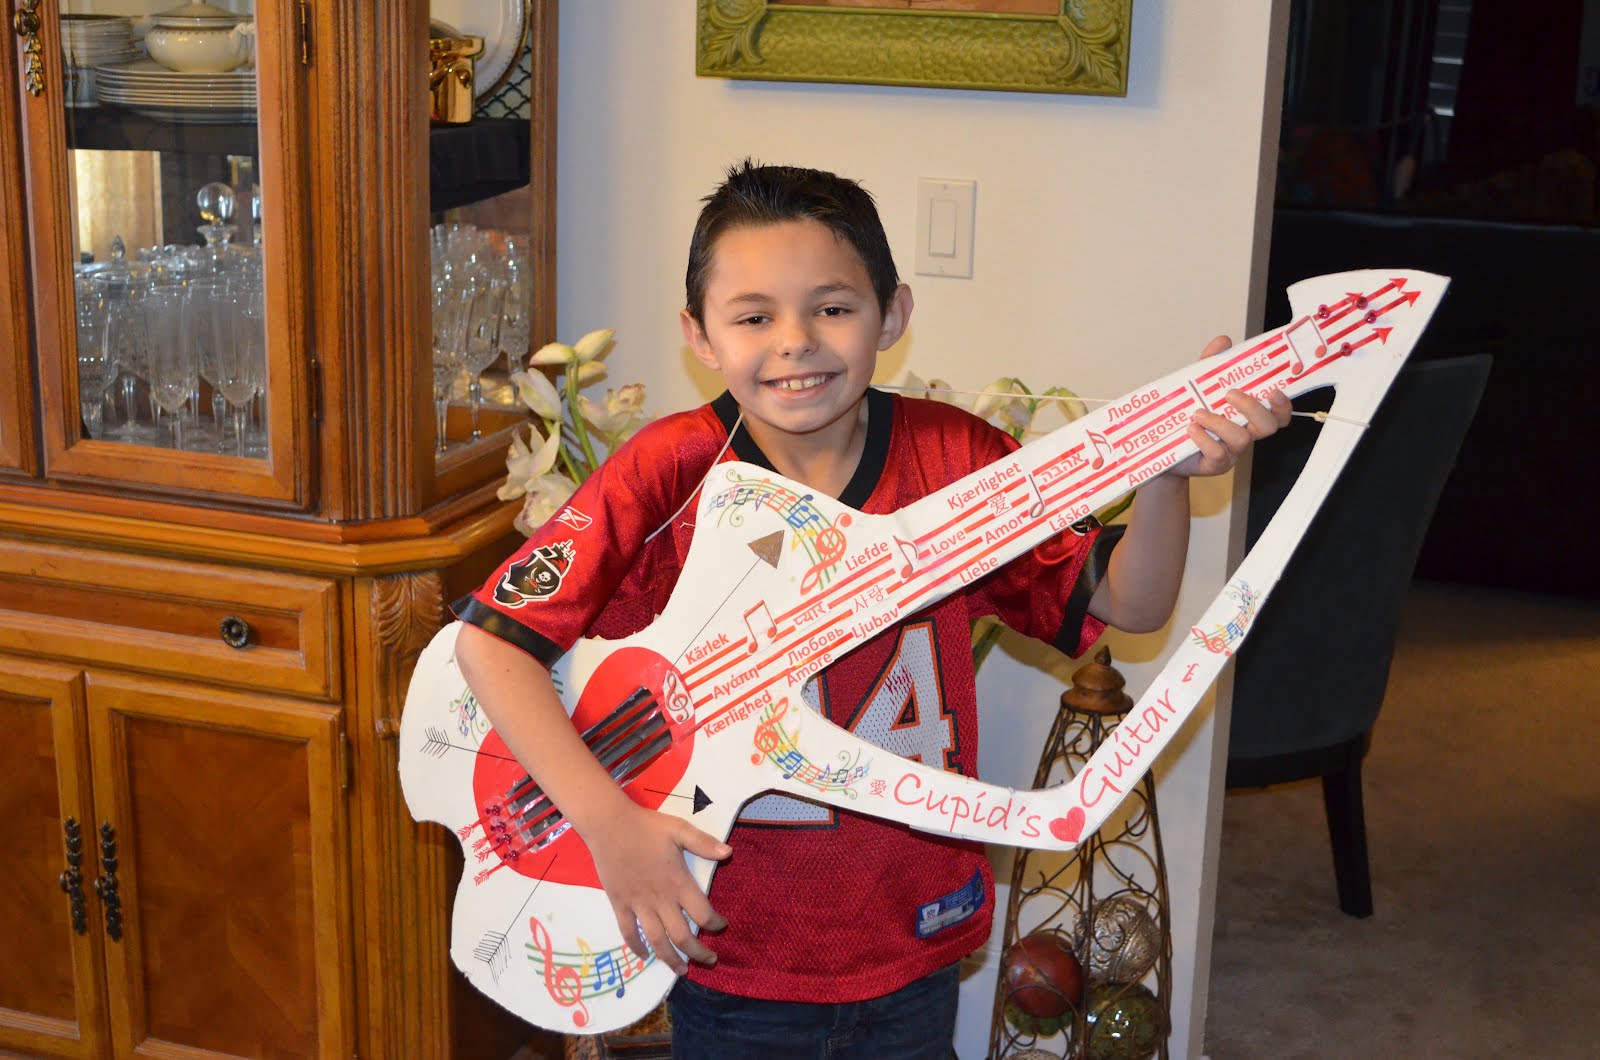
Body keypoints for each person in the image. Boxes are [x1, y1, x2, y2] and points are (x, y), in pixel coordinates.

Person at [452, 160, 1291, 1058]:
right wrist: (610, 825)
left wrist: (1165, 474)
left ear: (891, 316)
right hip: (731, 950)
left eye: (832, 307)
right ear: (699, 335)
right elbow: (491, 646)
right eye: (753, 316)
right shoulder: (666, 473)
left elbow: (1133, 601)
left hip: (913, 940)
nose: (795, 341)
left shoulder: (958, 459)